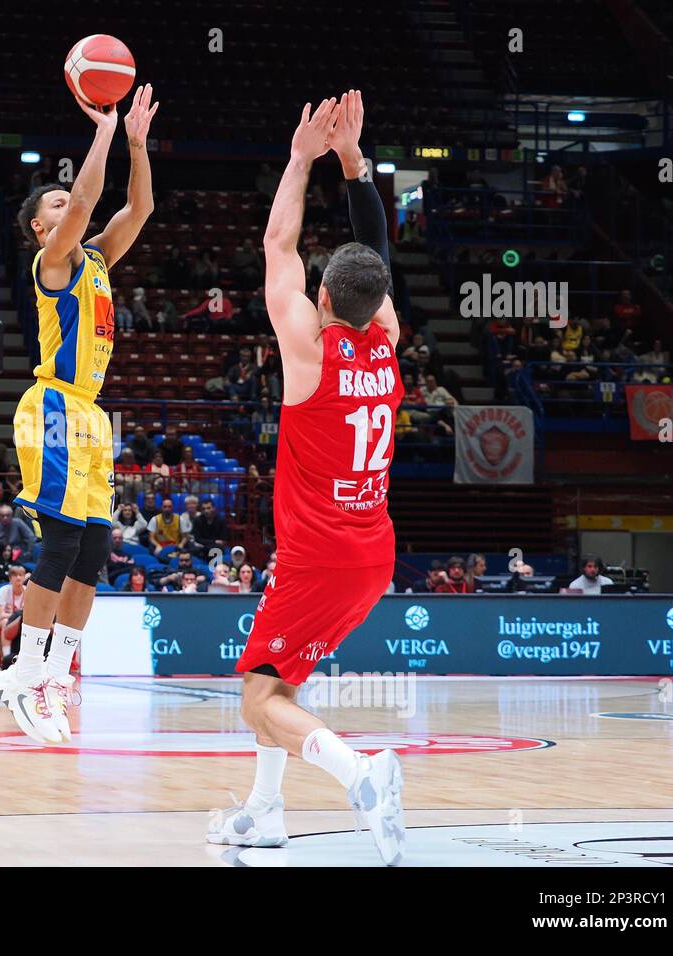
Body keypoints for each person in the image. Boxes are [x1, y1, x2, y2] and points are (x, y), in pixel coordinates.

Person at [208, 93, 404, 865]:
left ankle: (362, 774)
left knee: (259, 697)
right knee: (278, 679)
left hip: (318, 556)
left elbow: (277, 242)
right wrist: (353, 162)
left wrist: (300, 157)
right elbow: (373, 249)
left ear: (323, 299)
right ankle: (264, 811)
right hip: (371, 553)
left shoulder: (308, 349)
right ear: (375, 304)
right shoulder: (387, 342)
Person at [0, 83, 159, 743]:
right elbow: (91, 198)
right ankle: (27, 670)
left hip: (91, 413)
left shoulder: (96, 258)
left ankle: (56, 677)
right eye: (58, 204)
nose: (71, 205)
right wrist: (103, 130)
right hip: (55, 405)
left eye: (69, 202)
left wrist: (138, 145)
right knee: (61, 540)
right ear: (42, 228)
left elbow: (139, 207)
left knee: (93, 549)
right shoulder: (54, 260)